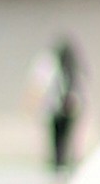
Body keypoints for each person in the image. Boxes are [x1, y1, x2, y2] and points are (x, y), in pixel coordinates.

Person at [25, 36, 84, 172]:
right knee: (61, 136)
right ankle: (60, 162)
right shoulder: (60, 65)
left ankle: (61, 162)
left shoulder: (62, 66)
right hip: (61, 107)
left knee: (60, 136)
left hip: (61, 106)